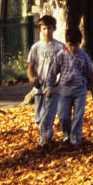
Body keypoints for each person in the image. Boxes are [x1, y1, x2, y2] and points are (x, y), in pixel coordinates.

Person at [42, 26, 93, 146]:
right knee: (63, 116)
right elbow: (53, 72)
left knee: (78, 116)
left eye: (76, 45)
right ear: (67, 43)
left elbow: (90, 75)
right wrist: (49, 87)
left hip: (80, 91)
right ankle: (67, 135)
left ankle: (76, 138)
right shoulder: (61, 55)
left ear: (80, 43)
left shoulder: (84, 56)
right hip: (64, 91)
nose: (73, 48)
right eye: (70, 45)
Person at [26, 14, 64, 147]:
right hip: (39, 88)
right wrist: (31, 78)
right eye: (44, 28)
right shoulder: (36, 48)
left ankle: (44, 142)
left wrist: (56, 84)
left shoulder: (60, 48)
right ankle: (47, 136)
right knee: (38, 118)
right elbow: (30, 67)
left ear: (54, 29)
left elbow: (65, 69)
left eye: (49, 28)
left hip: (53, 88)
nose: (47, 31)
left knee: (47, 115)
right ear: (39, 30)